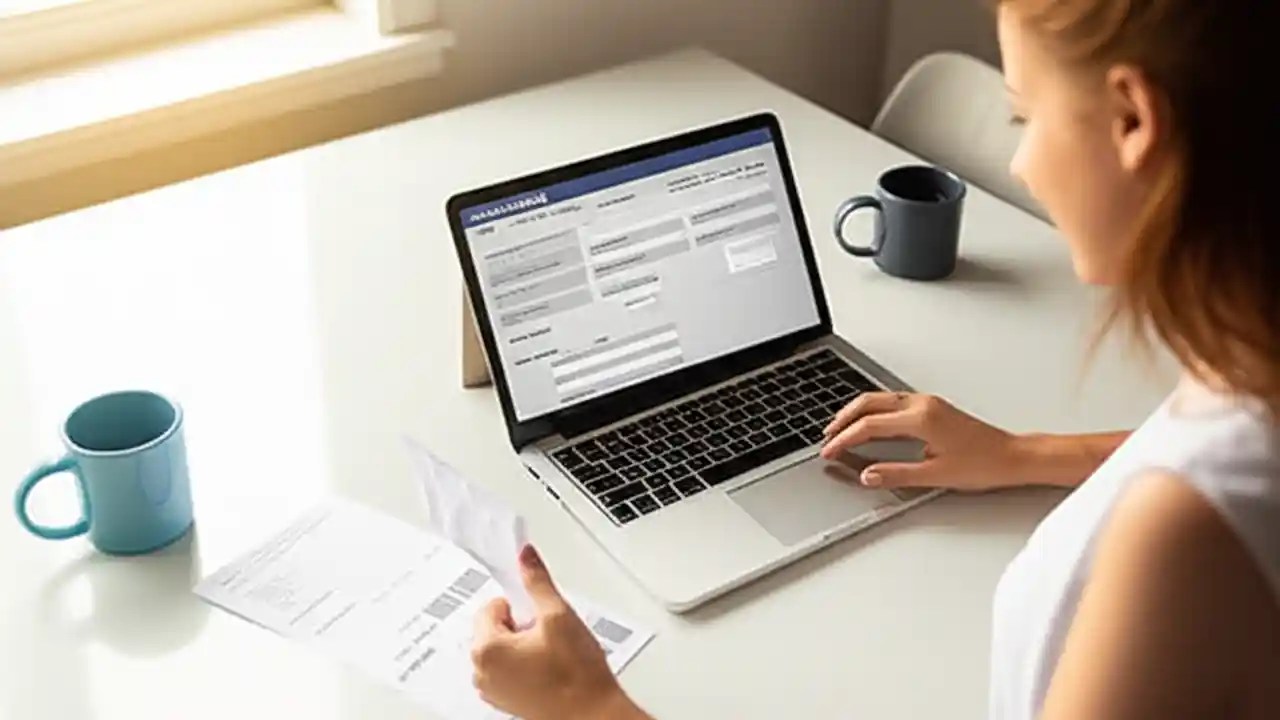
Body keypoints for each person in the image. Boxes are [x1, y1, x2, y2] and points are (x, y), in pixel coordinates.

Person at [470, 0, 1280, 717]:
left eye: (1024, 115)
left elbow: (1202, 495)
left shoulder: (1179, 538)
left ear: (1133, 119)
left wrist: (587, 706)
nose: (1021, 164)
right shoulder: (1248, 373)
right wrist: (1020, 452)